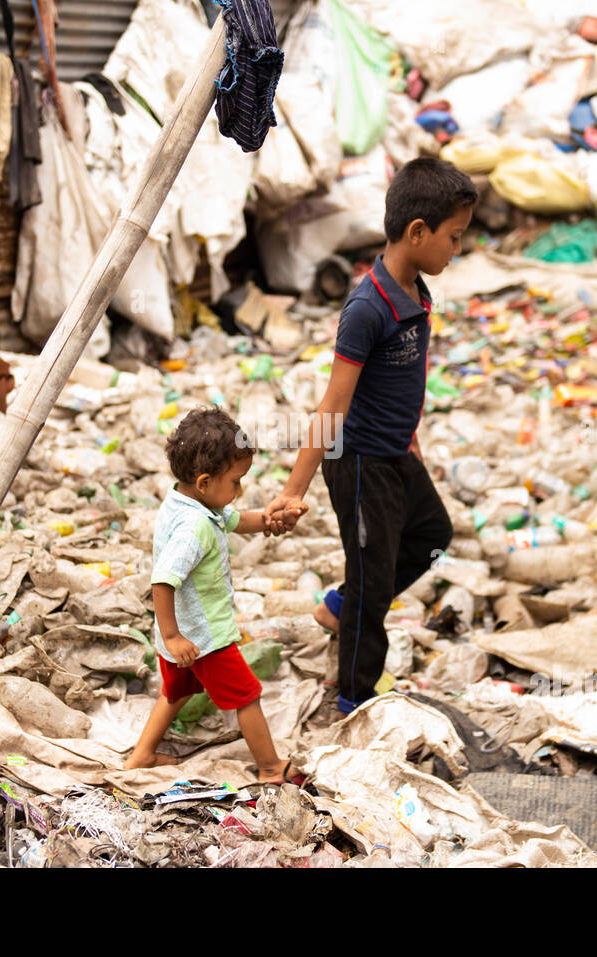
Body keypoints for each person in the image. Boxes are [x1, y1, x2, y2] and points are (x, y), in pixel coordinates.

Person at [262, 157, 476, 714]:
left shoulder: (417, 291)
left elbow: (407, 382)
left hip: (397, 453)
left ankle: (340, 603)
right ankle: (353, 699)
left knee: (433, 533)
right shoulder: (366, 307)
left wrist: (414, 442)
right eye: (453, 238)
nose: (457, 250)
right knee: (373, 581)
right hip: (358, 463)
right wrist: (294, 491)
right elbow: (333, 403)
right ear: (417, 232)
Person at [124, 406, 308, 782]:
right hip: (204, 638)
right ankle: (271, 767)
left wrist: (271, 519)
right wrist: (174, 636)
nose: (239, 491)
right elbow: (163, 579)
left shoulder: (188, 501)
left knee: (174, 694)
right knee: (247, 696)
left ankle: (141, 755)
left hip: (183, 635)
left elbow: (239, 521)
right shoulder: (195, 527)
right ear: (206, 481)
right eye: (236, 482)